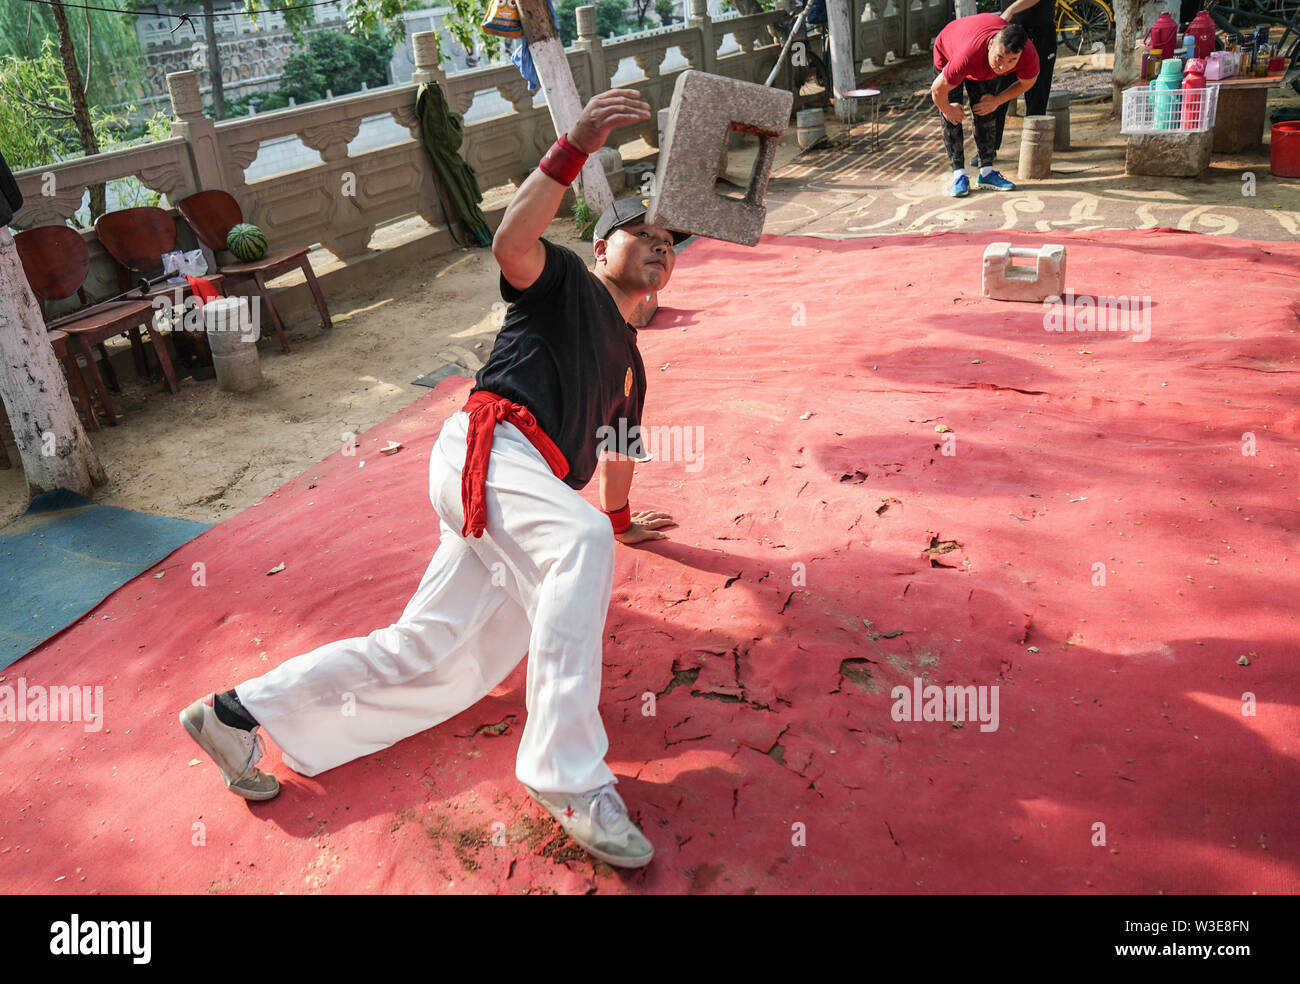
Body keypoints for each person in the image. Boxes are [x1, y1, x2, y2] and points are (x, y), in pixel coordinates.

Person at [179, 87, 684, 870]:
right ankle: (568, 776)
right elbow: (512, 240)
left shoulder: (633, 368)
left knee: (449, 659)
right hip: (490, 447)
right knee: (575, 543)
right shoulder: (565, 286)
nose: (658, 245)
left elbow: (619, 454)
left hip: (517, 498)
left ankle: (237, 713)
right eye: (640, 234)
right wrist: (573, 143)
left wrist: (621, 519)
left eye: (669, 243)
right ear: (600, 248)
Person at [931, 13, 1040, 197]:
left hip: (980, 67)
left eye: (1012, 60)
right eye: (1000, 57)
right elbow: (937, 90)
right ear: (991, 45)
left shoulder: (1027, 53)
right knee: (953, 112)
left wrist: (997, 101)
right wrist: (948, 110)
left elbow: (1027, 82)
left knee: (986, 107)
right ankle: (959, 175)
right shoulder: (968, 55)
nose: (1003, 66)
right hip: (949, 52)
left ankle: (987, 173)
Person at [987, 0, 1058, 167]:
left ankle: (1036, 152)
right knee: (997, 91)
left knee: (1037, 94)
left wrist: (1011, 10)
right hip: (1010, 33)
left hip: (1041, 33)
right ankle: (988, 149)